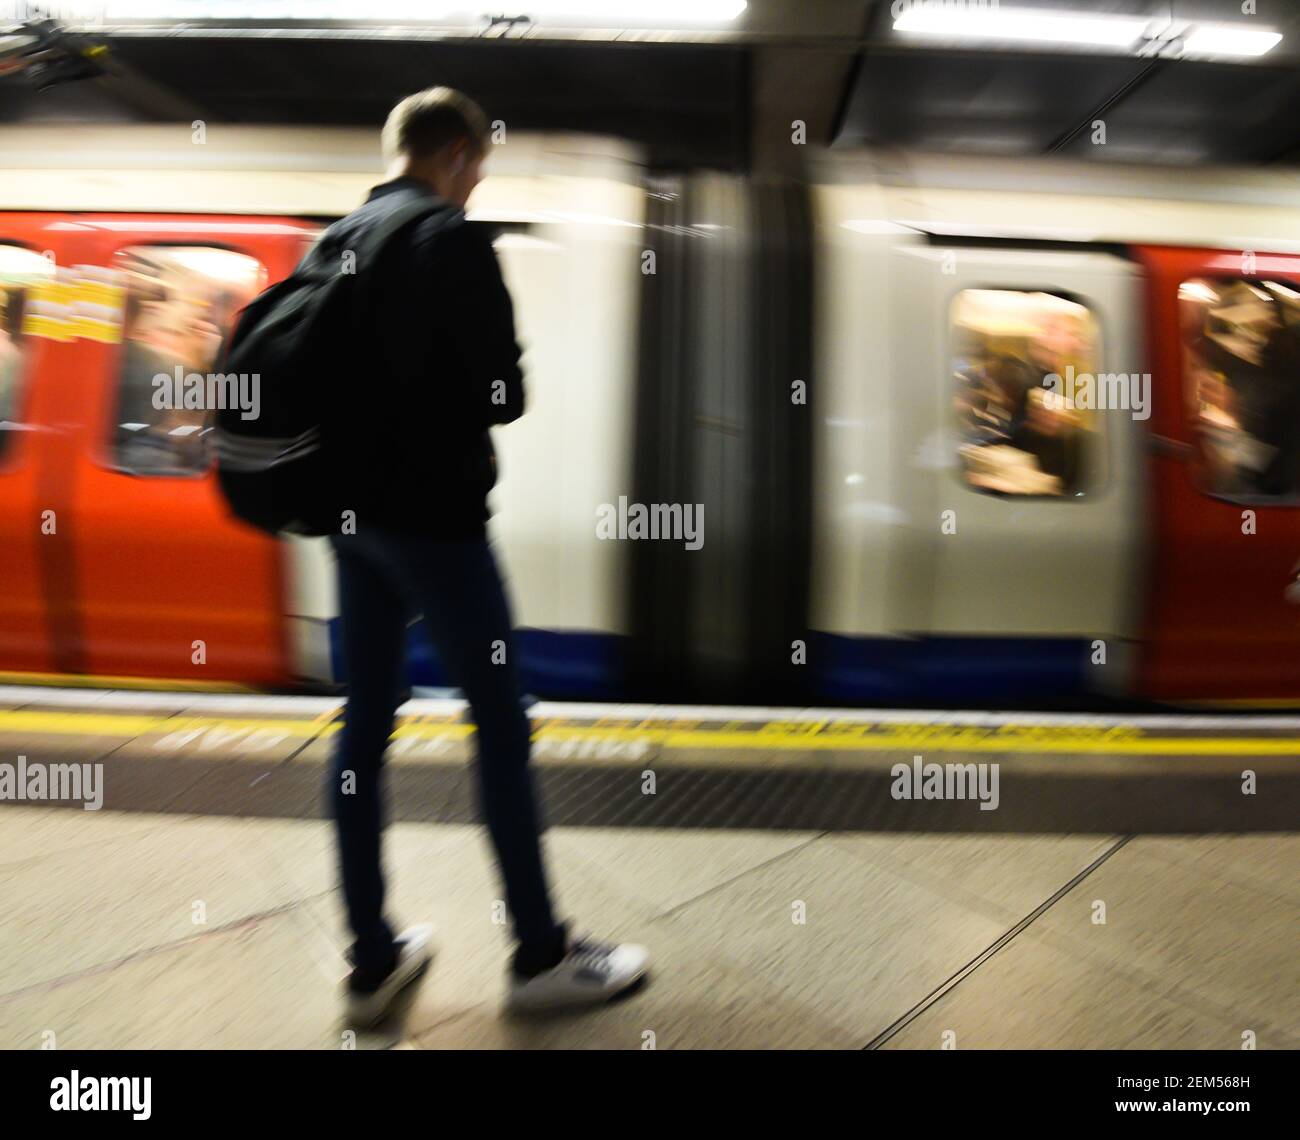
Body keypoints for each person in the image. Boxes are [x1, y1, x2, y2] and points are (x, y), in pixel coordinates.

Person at [323, 87, 648, 1027]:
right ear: (460, 154)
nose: (477, 183)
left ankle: (372, 960)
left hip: (356, 527)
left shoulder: (336, 241)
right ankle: (541, 954)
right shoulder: (451, 239)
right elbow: (503, 392)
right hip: (437, 527)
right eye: (479, 167)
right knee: (500, 722)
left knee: (364, 728)